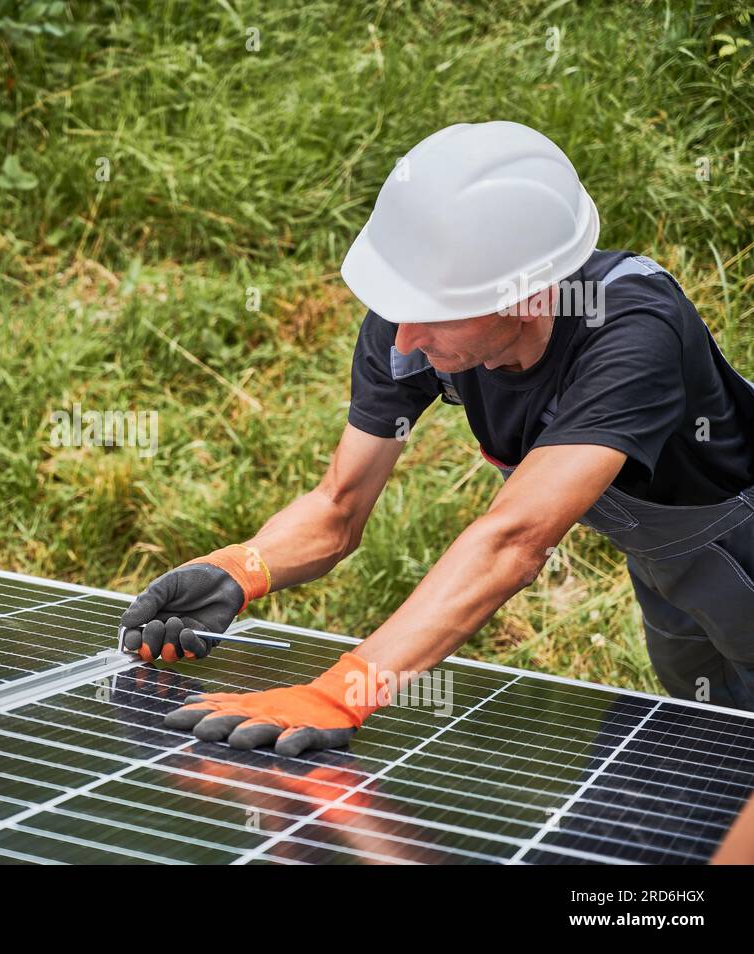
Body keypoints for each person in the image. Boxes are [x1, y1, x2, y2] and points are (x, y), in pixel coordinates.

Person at [119, 120, 754, 757]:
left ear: (529, 298)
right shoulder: (413, 320)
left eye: (432, 313)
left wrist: (348, 690)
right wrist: (240, 568)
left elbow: (514, 541)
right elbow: (338, 507)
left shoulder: (631, 332)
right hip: (661, 564)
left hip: (741, 545)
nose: (402, 339)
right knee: (708, 734)